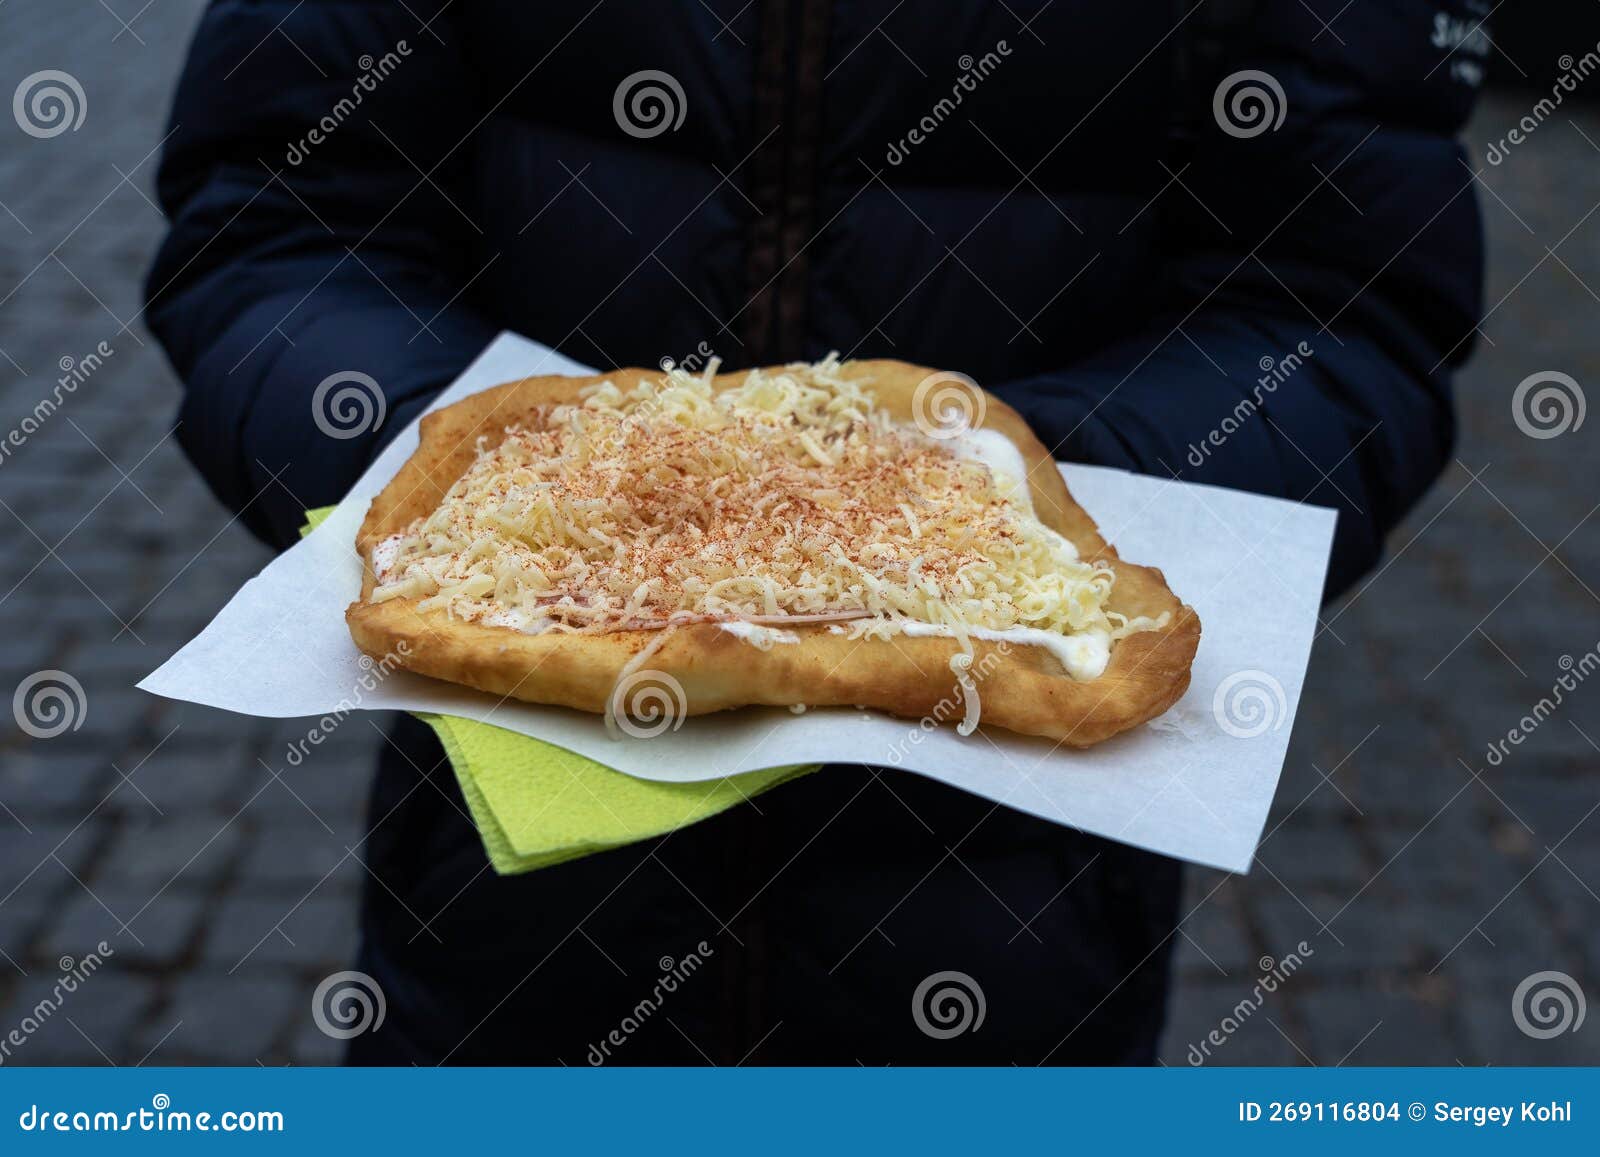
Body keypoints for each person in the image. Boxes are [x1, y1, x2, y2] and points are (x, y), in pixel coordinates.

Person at [145, 0, 1483, 1064]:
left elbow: (1341, 298)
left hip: (1021, 935)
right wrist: (490, 499)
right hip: (504, 909)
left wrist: (990, 506)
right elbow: (285, 216)